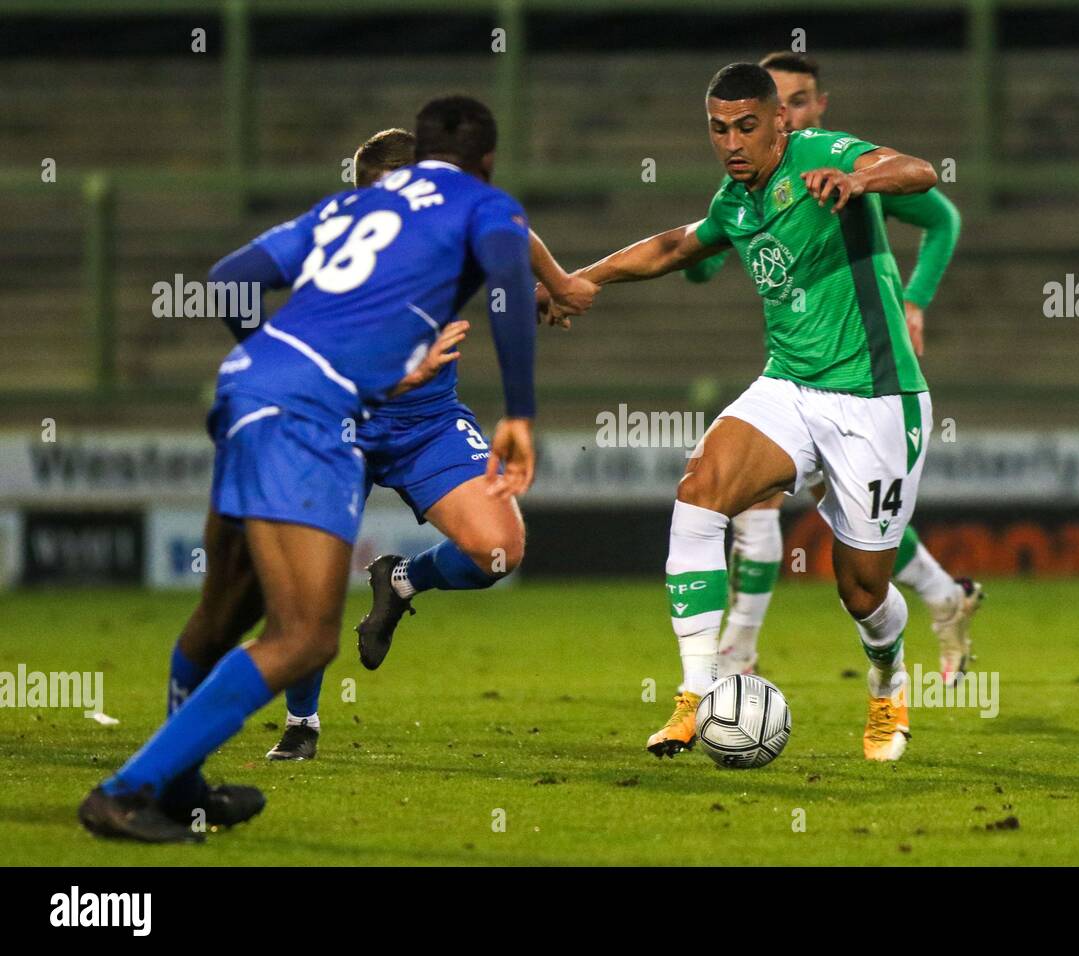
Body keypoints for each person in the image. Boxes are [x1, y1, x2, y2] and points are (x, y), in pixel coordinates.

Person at [79, 96, 541, 842]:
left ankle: (179, 786)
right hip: (312, 417)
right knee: (304, 636)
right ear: (486, 162)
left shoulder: (344, 212)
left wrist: (283, 358)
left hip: (248, 389)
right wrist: (518, 412)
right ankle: (127, 791)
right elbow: (513, 282)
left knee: (226, 610)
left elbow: (229, 275)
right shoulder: (481, 206)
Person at [560, 63, 938, 762]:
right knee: (700, 493)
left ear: (781, 123)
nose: (731, 142)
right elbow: (676, 247)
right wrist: (587, 278)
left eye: (746, 125)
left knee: (862, 591)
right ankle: (697, 692)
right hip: (790, 387)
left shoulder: (820, 156)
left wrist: (859, 181)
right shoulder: (736, 201)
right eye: (718, 128)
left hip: (879, 399)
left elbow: (918, 172)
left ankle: (887, 686)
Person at [200, 127, 595, 762]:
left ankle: (402, 580)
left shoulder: (451, 220)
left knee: (497, 550)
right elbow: (232, 283)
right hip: (340, 422)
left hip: (426, 423)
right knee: (309, 589)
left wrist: (554, 281)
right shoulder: (335, 241)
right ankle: (302, 722)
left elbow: (512, 230)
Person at [685, 52, 982, 688]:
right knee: (755, 496)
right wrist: (704, 251)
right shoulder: (750, 186)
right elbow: (704, 255)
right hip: (791, 356)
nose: (785, 115)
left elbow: (941, 214)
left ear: (814, 111)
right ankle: (736, 655)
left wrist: (916, 300)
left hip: (861, 361)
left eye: (797, 102)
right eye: (777, 102)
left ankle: (742, 651)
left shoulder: (840, 166)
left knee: (841, 525)